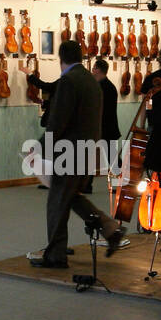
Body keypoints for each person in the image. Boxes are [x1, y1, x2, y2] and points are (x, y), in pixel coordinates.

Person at [32, 41, 126, 268]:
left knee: (57, 201)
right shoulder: (92, 82)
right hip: (87, 150)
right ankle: (110, 229)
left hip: (69, 152)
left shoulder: (68, 81)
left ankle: (55, 256)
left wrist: (40, 148)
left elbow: (58, 120)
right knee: (71, 196)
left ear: (60, 58)